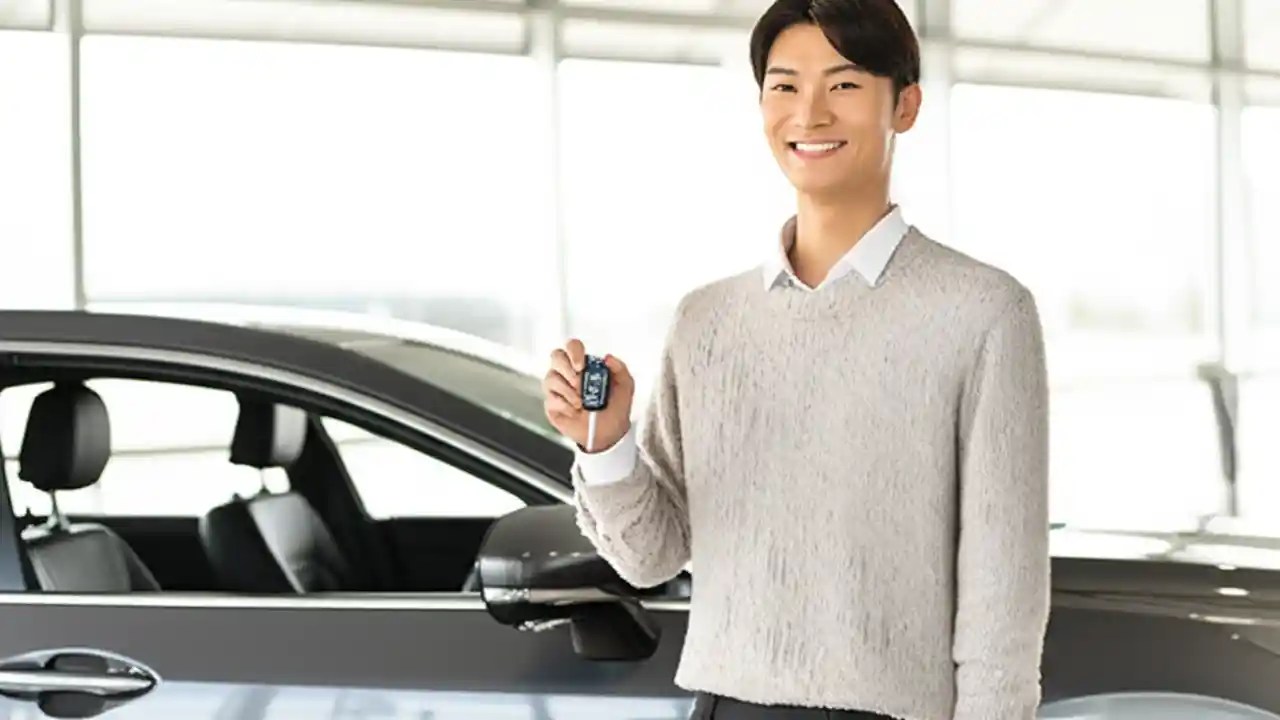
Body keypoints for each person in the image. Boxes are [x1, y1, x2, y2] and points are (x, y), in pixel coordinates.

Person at [542, 0, 1051, 718]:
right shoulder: (707, 321)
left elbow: (1004, 602)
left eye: (842, 85)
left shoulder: (985, 313)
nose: (809, 114)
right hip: (727, 705)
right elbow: (650, 558)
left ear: (904, 106)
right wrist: (605, 444)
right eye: (784, 86)